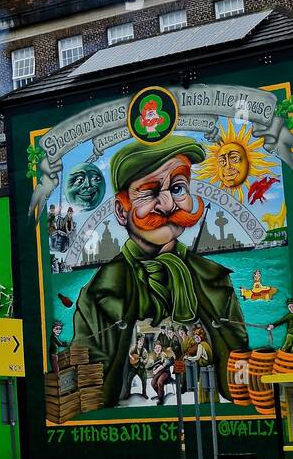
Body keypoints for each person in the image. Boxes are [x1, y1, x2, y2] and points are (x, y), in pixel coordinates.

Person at [71, 135, 247, 408]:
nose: (167, 204)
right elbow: (89, 387)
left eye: (178, 188)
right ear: (121, 210)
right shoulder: (100, 293)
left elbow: (239, 368)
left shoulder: (215, 280)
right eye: (150, 192)